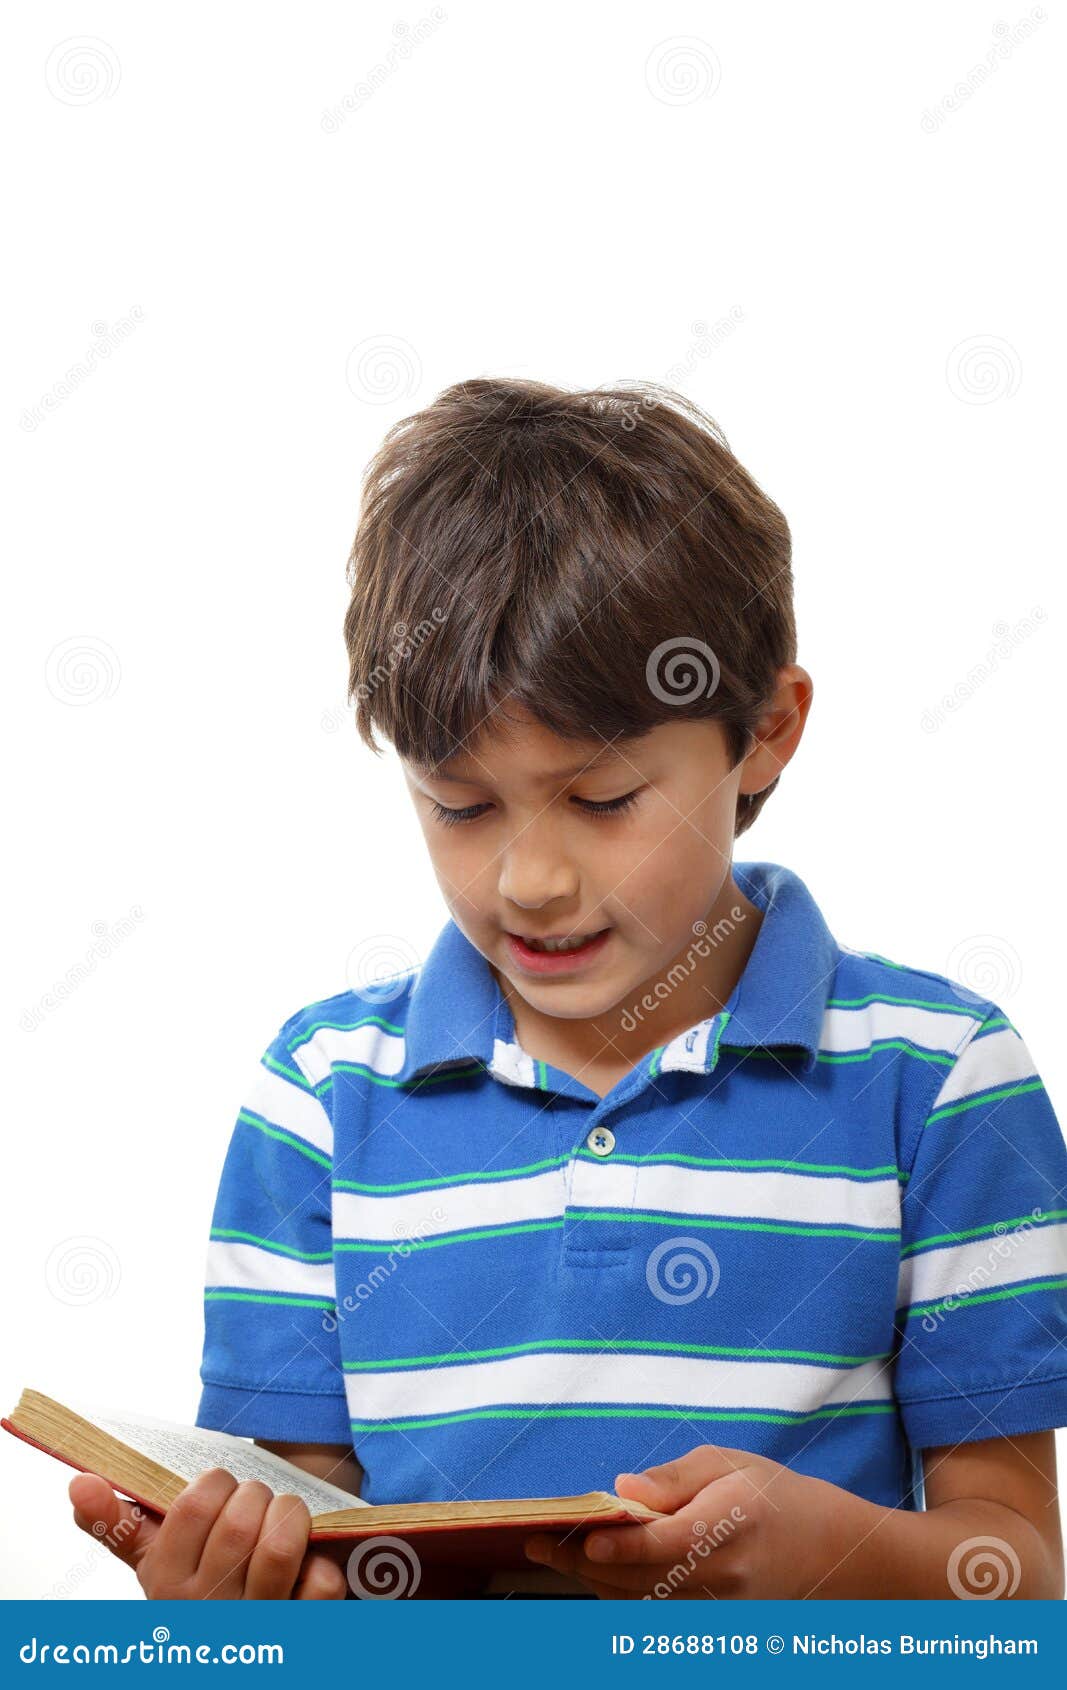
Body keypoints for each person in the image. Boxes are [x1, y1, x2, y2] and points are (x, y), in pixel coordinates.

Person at [69, 378, 1067, 1599]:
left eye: (601, 801)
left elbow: (1014, 1569)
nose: (528, 879)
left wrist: (831, 1555)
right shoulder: (322, 1095)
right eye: (459, 804)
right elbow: (307, 1533)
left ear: (763, 731)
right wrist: (241, 1605)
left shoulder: (936, 1076)